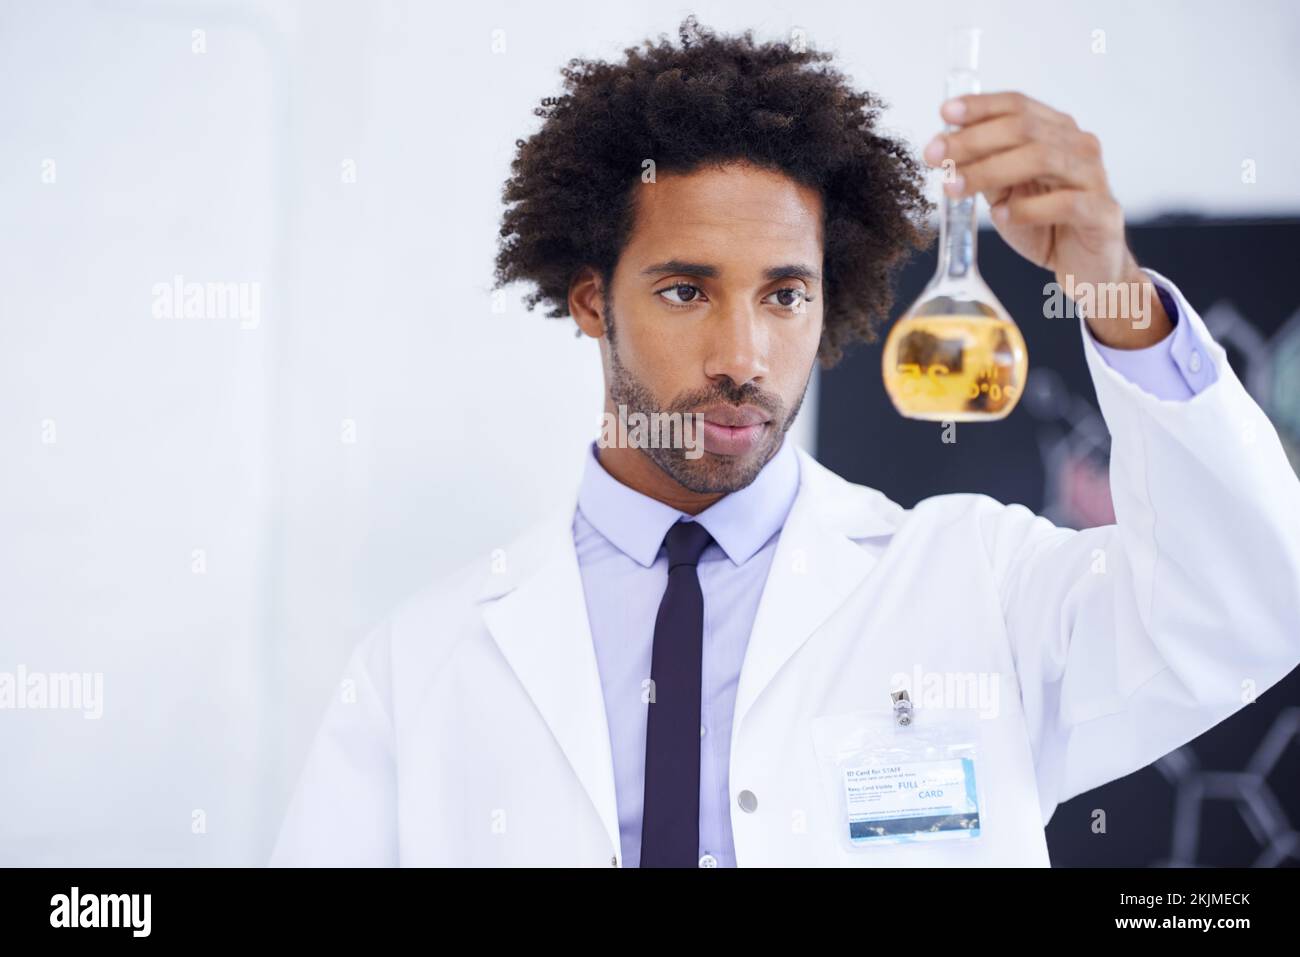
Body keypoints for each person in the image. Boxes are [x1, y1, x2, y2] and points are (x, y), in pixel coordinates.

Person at [269, 18, 1300, 867]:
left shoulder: (976, 586)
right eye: (684, 290)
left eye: (784, 294)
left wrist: (1115, 294)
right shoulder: (422, 665)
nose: (742, 354)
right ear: (591, 300)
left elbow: (1248, 602)